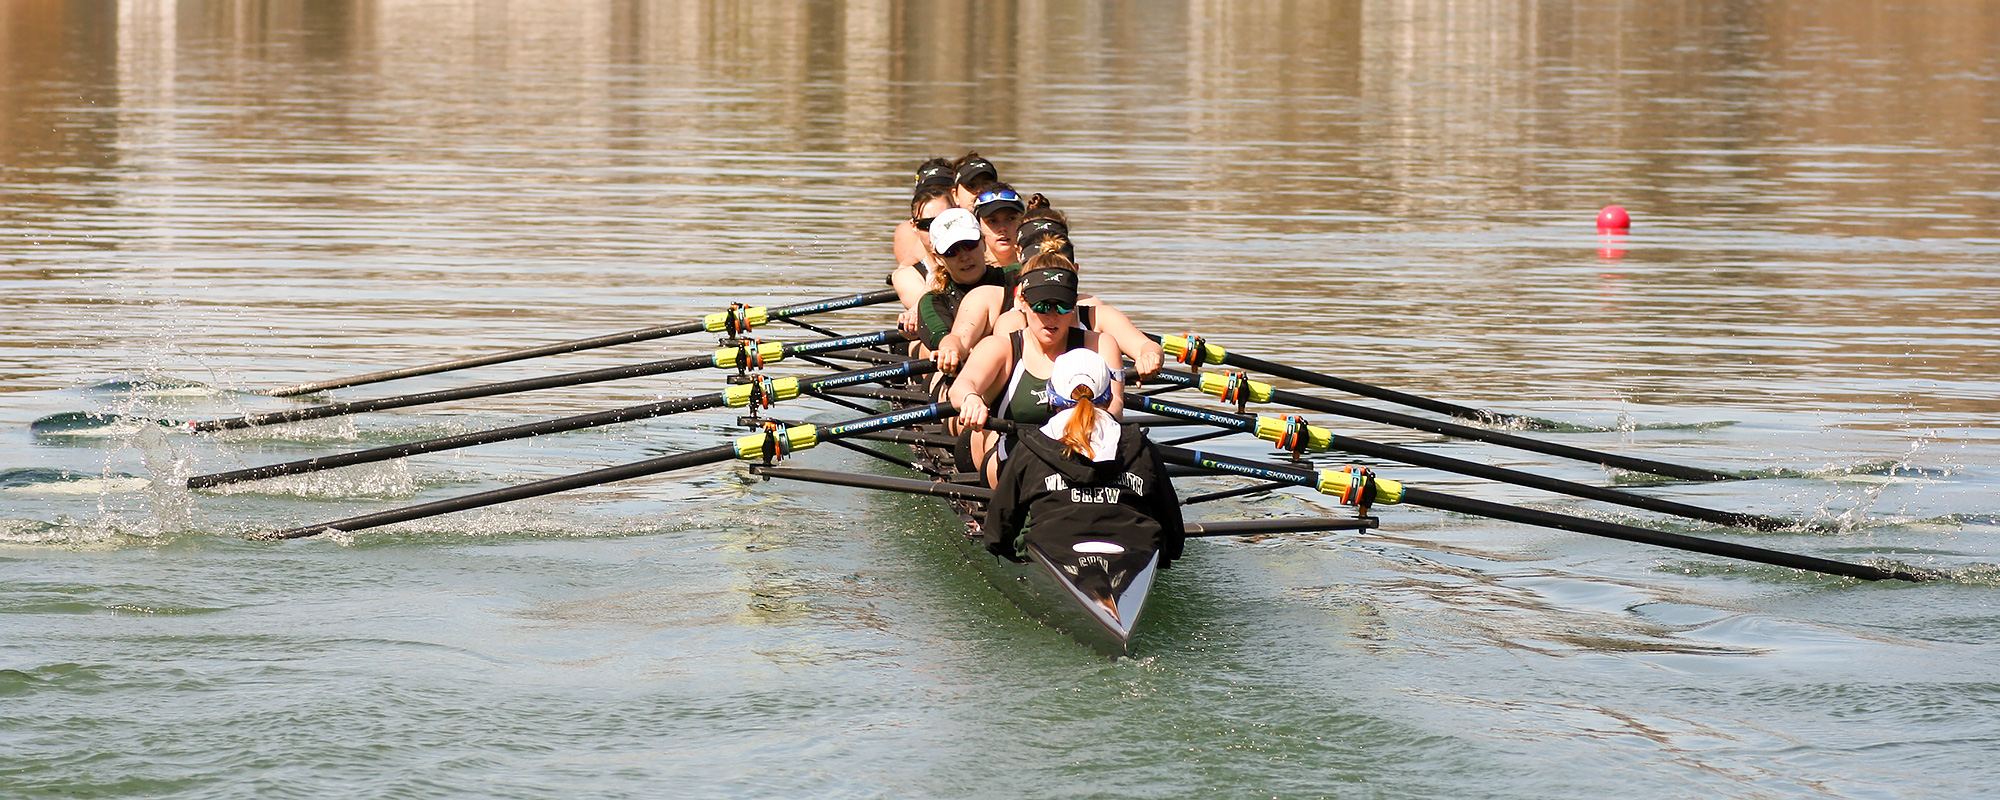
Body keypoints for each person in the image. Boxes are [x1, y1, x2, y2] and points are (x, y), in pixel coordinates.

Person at [982, 348, 1185, 581]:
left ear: (1051, 397)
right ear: (1110, 397)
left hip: (1053, 549)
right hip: (1135, 551)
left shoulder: (1030, 448)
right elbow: (1175, 536)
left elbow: (996, 535)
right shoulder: (1142, 447)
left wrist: (1016, 552)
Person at [948, 264, 1124, 487]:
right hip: (1016, 456)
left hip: (1084, 453)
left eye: (1062, 306)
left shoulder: (1099, 343)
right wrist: (971, 399)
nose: (1051, 316)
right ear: (1023, 303)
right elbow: (963, 385)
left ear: (1074, 306)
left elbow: (1115, 405)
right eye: (1041, 306)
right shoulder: (1001, 347)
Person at [944, 218, 1166, 380]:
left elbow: (1146, 345)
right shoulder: (1009, 321)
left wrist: (1149, 357)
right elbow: (959, 340)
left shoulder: (1095, 313)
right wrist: (951, 350)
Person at [907, 208, 1007, 370]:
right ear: (938, 258)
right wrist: (950, 350)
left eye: (969, 245)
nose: (964, 257)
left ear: (983, 243)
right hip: (961, 372)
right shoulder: (934, 301)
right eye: (951, 251)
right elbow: (944, 339)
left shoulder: (1014, 276)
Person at [971, 182, 1026, 268]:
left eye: (1010, 219)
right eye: (992, 221)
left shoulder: (1039, 263)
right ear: (978, 225)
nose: (1002, 228)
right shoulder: (967, 269)